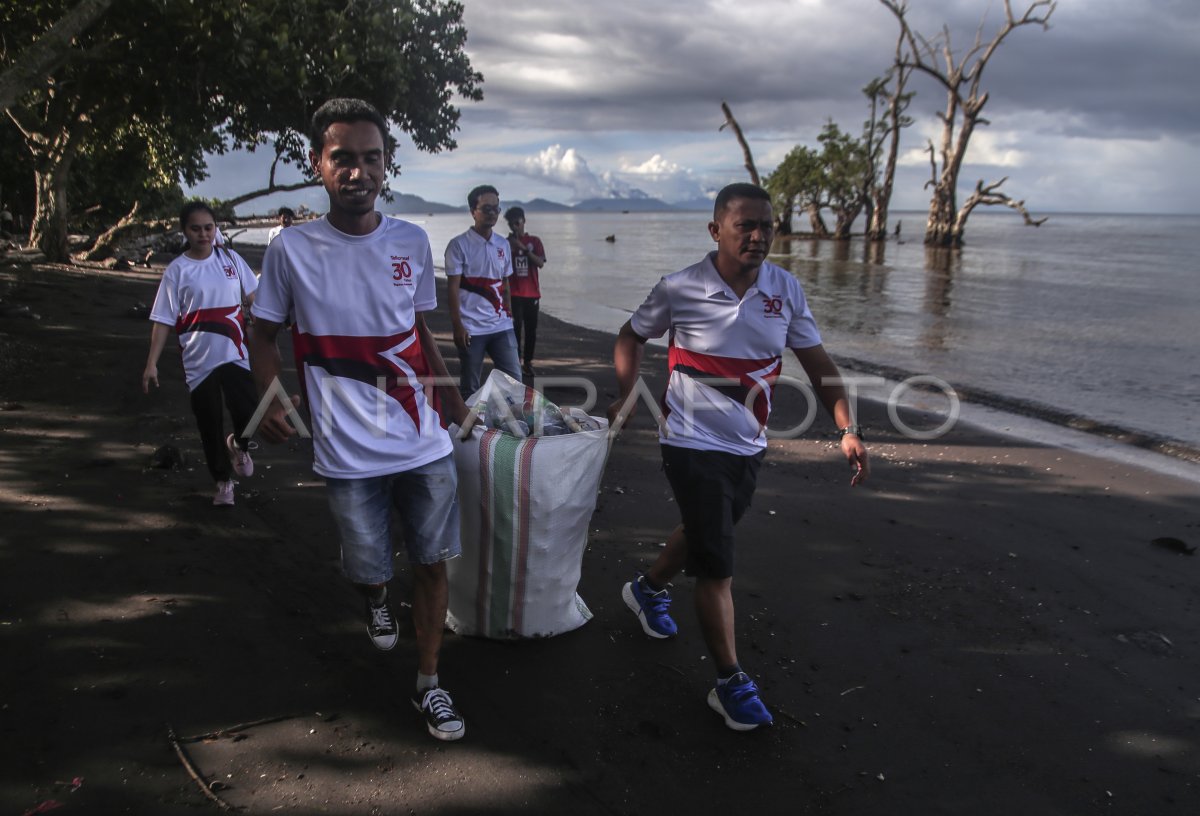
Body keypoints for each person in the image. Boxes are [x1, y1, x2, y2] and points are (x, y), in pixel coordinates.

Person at [608, 182, 871, 731]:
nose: (758, 235)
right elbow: (629, 337)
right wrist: (628, 391)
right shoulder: (680, 288)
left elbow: (819, 365)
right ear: (716, 231)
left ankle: (647, 589)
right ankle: (730, 683)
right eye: (745, 225)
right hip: (688, 442)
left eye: (767, 226)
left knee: (710, 529)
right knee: (718, 564)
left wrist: (846, 428)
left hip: (748, 444)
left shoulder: (785, 290)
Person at [248, 98, 470, 742]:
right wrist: (269, 400)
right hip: (346, 455)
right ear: (319, 165)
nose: (358, 171)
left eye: (371, 158)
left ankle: (430, 683)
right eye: (342, 158)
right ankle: (374, 599)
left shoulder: (410, 240)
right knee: (370, 566)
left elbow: (417, 327)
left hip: (422, 439)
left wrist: (451, 397)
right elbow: (261, 336)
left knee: (431, 563)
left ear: (386, 166)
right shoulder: (291, 250)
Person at [142, 201, 259, 507]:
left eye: (209, 227)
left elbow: (255, 296)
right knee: (209, 424)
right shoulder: (177, 270)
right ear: (185, 231)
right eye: (196, 228)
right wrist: (151, 363)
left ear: (215, 229)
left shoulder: (231, 259)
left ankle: (239, 444)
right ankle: (222, 482)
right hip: (198, 361)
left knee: (249, 410)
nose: (204, 234)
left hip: (235, 352)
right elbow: (164, 319)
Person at [444, 185, 522, 396]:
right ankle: (470, 427)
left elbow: (505, 284)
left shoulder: (502, 245)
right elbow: (452, 288)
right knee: (470, 385)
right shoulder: (458, 246)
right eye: (486, 208)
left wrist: (510, 315)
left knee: (515, 382)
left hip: (501, 326)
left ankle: (510, 425)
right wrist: (457, 326)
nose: (492, 213)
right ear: (473, 211)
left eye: (496, 208)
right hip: (472, 329)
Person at [503, 206, 547, 380]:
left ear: (523, 221)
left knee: (531, 331)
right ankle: (515, 362)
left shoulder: (534, 241)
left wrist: (523, 248)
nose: (514, 226)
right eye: (511, 223)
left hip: (532, 294)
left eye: (517, 222)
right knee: (515, 329)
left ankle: (528, 362)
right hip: (514, 294)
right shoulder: (505, 243)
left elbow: (540, 263)